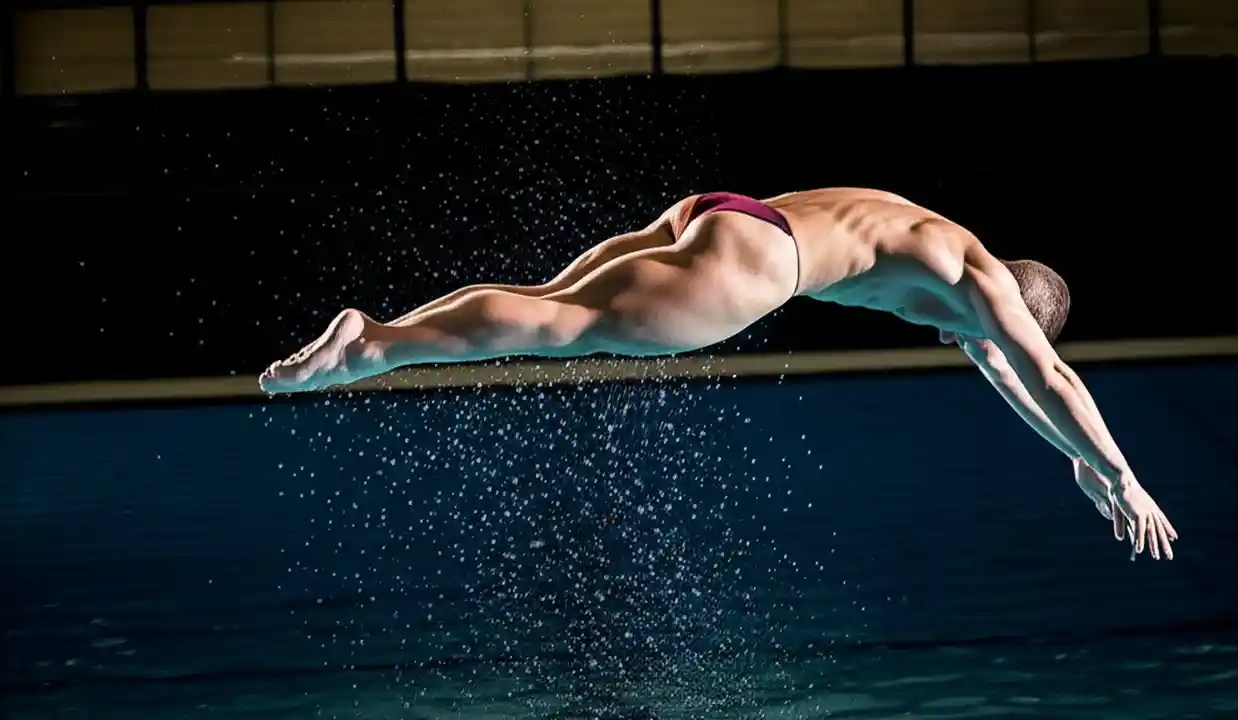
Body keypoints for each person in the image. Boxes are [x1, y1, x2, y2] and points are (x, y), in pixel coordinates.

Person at [259, 187, 1177, 560]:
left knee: (552, 303)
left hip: (720, 210)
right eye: (979, 334)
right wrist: (1128, 476)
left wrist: (1083, 463)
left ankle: (382, 336)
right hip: (760, 264)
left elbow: (1011, 380)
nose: (963, 341)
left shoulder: (937, 239)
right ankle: (374, 345)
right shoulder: (986, 290)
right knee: (566, 330)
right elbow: (1046, 375)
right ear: (1016, 310)